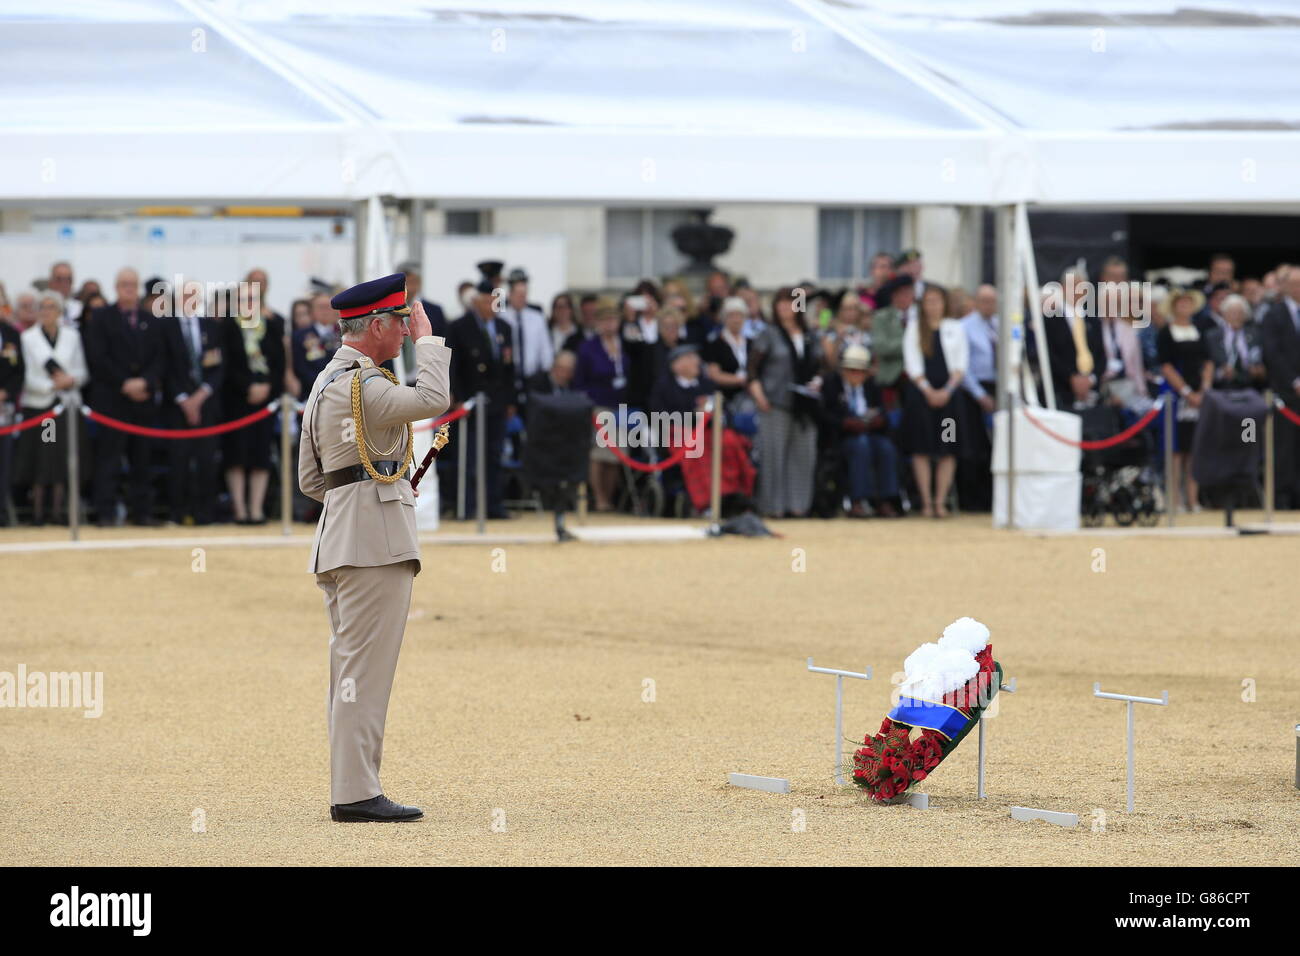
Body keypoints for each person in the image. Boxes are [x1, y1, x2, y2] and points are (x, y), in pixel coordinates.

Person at [297, 273, 451, 823]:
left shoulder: (326, 381)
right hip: (374, 543)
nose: (407, 329)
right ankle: (356, 793)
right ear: (379, 325)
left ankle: (354, 786)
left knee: (352, 670)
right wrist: (429, 344)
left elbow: (310, 480)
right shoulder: (362, 383)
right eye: (401, 321)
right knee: (365, 672)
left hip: (343, 535)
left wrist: (356, 495)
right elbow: (434, 398)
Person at [84, 268, 166, 527]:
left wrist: (145, 383)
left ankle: (141, 513)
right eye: (124, 284)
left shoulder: (151, 319)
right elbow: (97, 357)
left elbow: (160, 358)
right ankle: (105, 513)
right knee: (108, 459)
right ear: (116, 287)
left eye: (133, 284)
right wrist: (124, 383)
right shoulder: (101, 318)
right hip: (112, 401)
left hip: (142, 402)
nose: (129, 289)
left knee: (142, 459)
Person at [447, 267, 516, 519]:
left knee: (495, 455)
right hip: (469, 400)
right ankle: (467, 505)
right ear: (477, 301)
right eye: (488, 300)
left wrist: (511, 400)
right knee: (468, 456)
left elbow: (509, 367)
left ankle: (493, 504)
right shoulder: (459, 327)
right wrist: (454, 395)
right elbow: (452, 365)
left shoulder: (505, 328)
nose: (492, 305)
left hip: (497, 401)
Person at [747, 287, 822, 518]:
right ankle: (773, 506)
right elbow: (752, 369)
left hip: (804, 404)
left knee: (802, 455)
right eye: (779, 304)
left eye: (788, 303)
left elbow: (820, 365)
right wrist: (758, 395)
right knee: (774, 455)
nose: (783, 308)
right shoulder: (769, 334)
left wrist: (818, 381)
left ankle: (798, 505)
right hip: (774, 401)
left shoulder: (809, 335)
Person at [15, 291, 88, 525]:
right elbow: (25, 376)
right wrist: (51, 385)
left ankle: (59, 511)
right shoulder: (29, 338)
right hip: (41, 407)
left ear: (59, 311)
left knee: (61, 458)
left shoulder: (72, 336)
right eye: (42, 307)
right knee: (41, 458)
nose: (47, 311)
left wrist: (70, 381)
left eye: (51, 307)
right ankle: (37, 512)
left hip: (66, 405)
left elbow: (82, 371)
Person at [220, 281, 286, 524]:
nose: (248, 304)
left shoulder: (271, 326)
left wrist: (268, 387)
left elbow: (280, 362)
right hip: (237, 399)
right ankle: (240, 509)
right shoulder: (228, 327)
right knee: (236, 455)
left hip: (265, 401)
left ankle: (256, 509)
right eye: (243, 300)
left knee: (261, 454)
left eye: (253, 300)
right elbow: (225, 364)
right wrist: (248, 387)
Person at [900, 284, 967, 518]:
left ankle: (941, 501)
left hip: (949, 397)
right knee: (922, 448)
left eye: (937, 301)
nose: (933, 306)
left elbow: (961, 365)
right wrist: (928, 390)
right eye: (929, 301)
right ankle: (926, 502)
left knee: (947, 448)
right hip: (921, 396)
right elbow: (912, 364)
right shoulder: (914, 329)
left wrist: (946, 390)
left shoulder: (955, 327)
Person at [162, 279, 224, 526]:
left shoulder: (211, 326)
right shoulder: (166, 327)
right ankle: (178, 512)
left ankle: (205, 513)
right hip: (176, 406)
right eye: (185, 295)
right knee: (178, 461)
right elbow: (164, 367)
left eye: (193, 295)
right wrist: (183, 400)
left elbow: (218, 366)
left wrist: (200, 397)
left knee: (207, 460)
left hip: (206, 404)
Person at [823, 344, 899, 517]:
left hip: (871, 434)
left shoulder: (872, 386)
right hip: (844, 438)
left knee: (886, 447)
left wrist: (878, 421)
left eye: (860, 371)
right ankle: (858, 500)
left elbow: (884, 414)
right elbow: (826, 415)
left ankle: (886, 500)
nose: (855, 374)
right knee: (861, 445)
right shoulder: (832, 384)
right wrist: (846, 423)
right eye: (851, 370)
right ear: (843, 369)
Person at [1158, 288, 1214, 512]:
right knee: (1176, 450)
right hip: (1176, 394)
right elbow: (1166, 366)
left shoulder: (1199, 330)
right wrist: (1187, 392)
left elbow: (1208, 361)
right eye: (1180, 303)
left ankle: (1193, 498)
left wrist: (1204, 388)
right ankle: (1175, 499)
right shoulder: (1166, 332)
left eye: (1188, 303)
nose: (1184, 307)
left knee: (1195, 448)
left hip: (1199, 393)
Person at [574, 306, 628, 512]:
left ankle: (609, 498)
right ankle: (599, 498)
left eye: (613, 320)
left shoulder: (624, 345)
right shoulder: (589, 347)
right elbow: (580, 381)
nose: (610, 325)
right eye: (605, 320)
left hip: (620, 405)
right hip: (598, 405)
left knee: (616, 454)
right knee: (599, 454)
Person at [1261, 269, 1300, 507]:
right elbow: (1272, 353)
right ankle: (1283, 497)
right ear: (1284, 287)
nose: (1298, 289)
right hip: (1285, 393)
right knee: (1284, 447)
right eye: (1294, 284)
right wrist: (1295, 381)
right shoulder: (1273, 315)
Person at [1214, 293, 1266, 392]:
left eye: (1240, 313)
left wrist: (1259, 370)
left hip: (1251, 387)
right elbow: (1208, 365)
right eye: (1232, 312)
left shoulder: (1255, 334)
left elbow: (1261, 360)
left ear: (1245, 315)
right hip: (1221, 389)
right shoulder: (1212, 336)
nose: (1236, 316)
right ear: (1224, 314)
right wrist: (1221, 372)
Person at [702, 297, 749, 404]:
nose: (736, 320)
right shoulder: (715, 344)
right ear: (724, 318)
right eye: (732, 316)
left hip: (750, 397)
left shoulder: (751, 342)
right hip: (726, 398)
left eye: (740, 315)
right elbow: (714, 375)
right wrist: (742, 380)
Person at [869, 275, 912, 392]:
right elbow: (882, 347)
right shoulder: (881, 317)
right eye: (901, 293)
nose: (905, 297)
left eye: (908, 293)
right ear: (893, 296)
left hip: (917, 379)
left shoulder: (920, 317)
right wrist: (912, 345)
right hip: (890, 378)